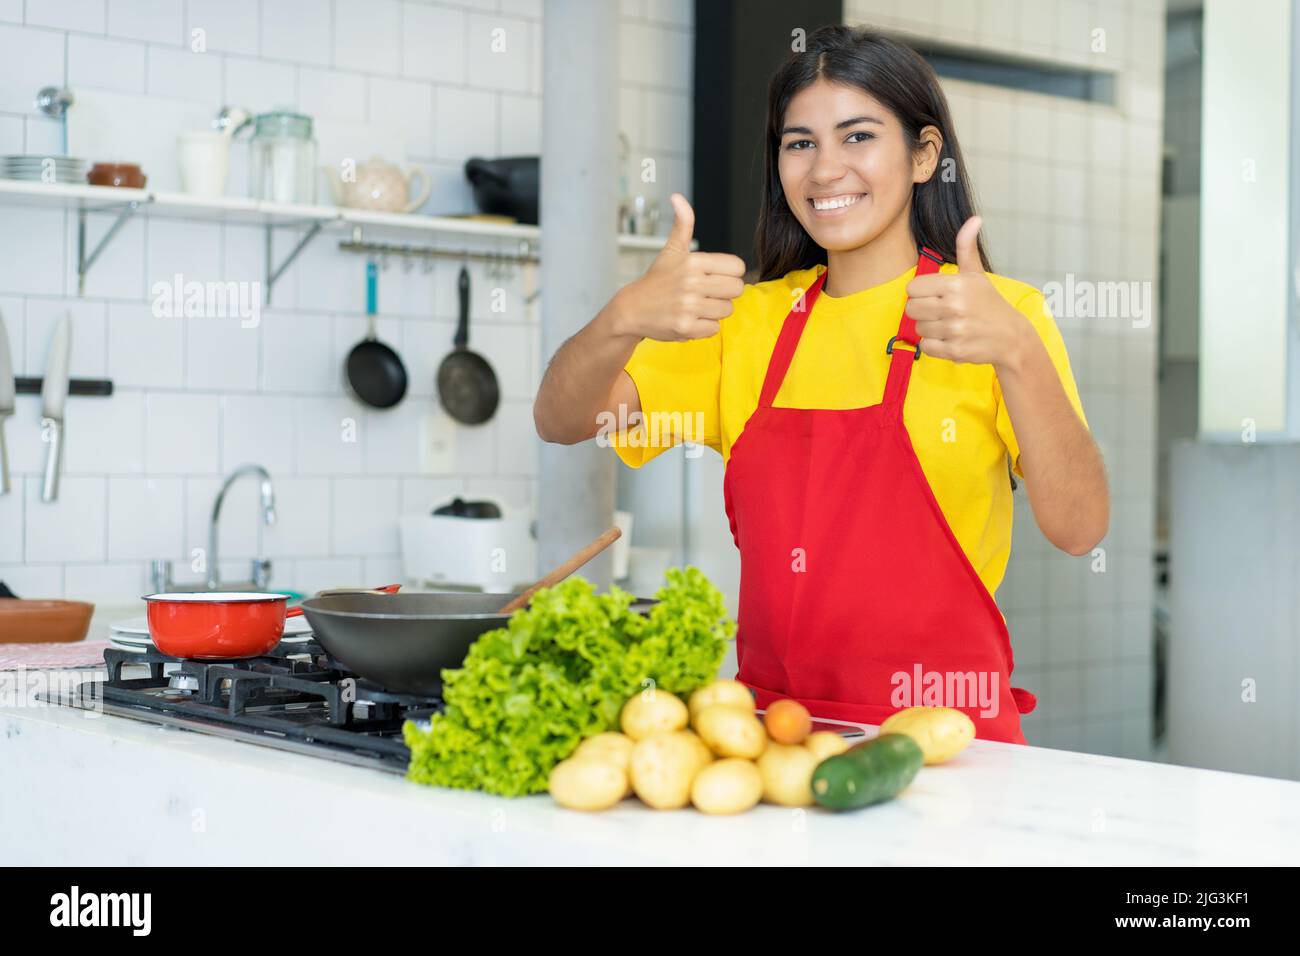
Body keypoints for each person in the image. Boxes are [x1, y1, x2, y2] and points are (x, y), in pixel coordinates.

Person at [533, 25, 1108, 744]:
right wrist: (621, 318)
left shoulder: (997, 316)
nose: (825, 169)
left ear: (925, 155)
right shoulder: (748, 322)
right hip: (775, 741)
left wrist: (1020, 356)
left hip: (947, 749)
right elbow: (561, 418)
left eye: (858, 136)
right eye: (799, 143)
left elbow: (1081, 528)